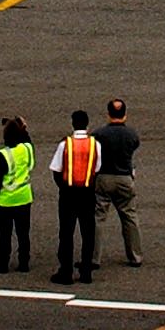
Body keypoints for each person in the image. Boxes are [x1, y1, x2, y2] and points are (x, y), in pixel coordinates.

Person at [48, 109, 101, 284]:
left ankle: (66, 271)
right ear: (87, 124)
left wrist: (63, 187)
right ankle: (86, 272)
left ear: (73, 123)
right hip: (87, 192)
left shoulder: (65, 144)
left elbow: (56, 170)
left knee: (66, 233)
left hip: (68, 193)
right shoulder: (95, 144)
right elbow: (98, 169)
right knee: (88, 233)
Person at [91, 98, 143, 267]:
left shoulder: (98, 135)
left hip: (104, 177)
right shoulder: (132, 135)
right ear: (125, 115)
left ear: (108, 114)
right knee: (129, 217)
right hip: (124, 178)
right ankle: (135, 256)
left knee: (98, 218)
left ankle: (94, 258)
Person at [0, 116, 34, 273]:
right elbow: (28, 140)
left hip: (6, 200)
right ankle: (24, 263)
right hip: (24, 197)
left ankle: (3, 263)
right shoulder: (27, 149)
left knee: (5, 234)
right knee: (23, 233)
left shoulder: (1, 155)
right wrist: (24, 127)